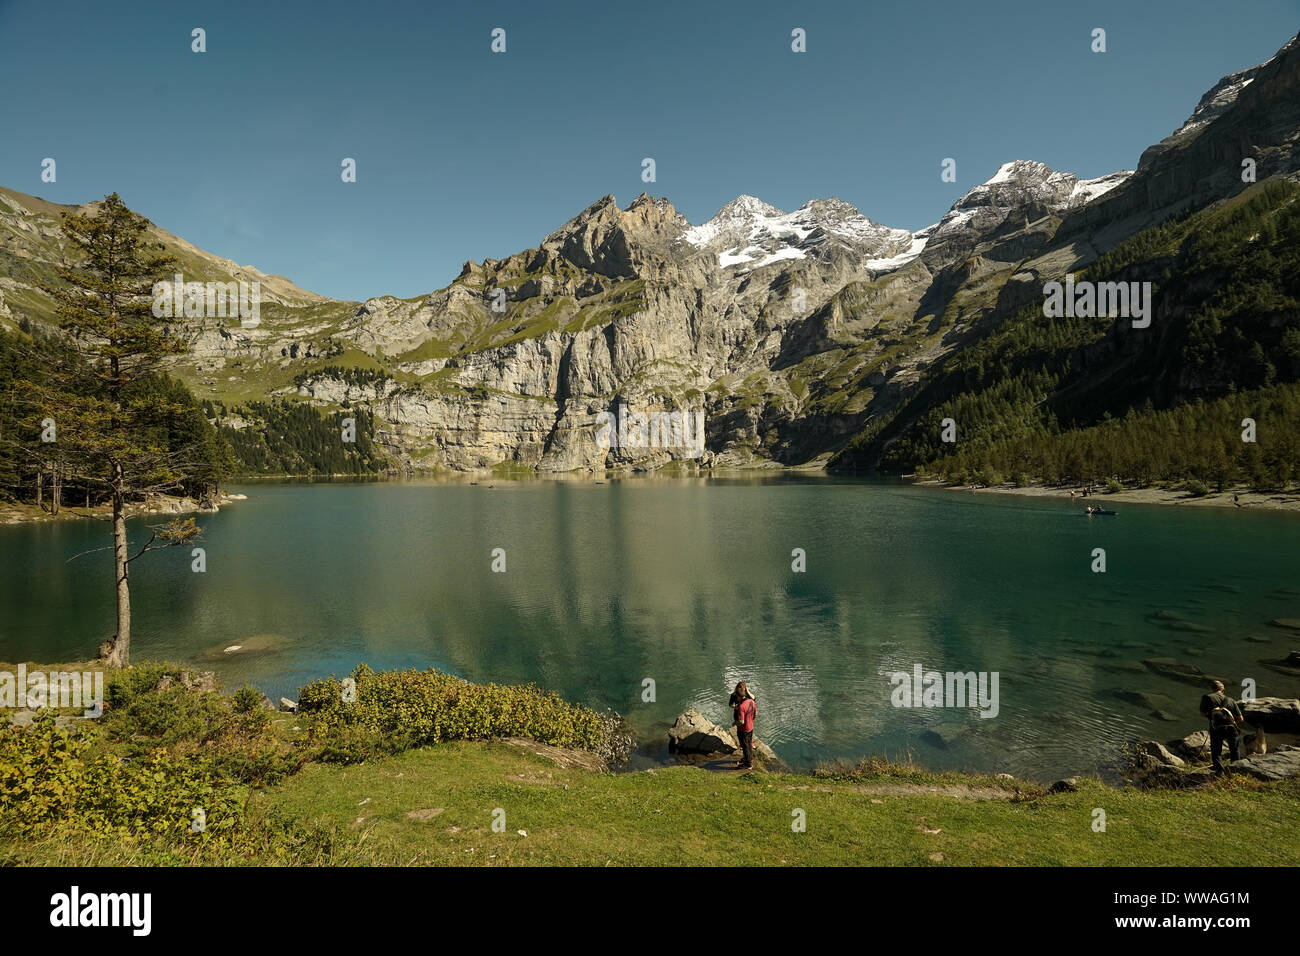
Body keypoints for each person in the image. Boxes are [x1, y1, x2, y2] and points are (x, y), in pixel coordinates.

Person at [1199, 680, 1245, 775]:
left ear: (1212, 689)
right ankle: (1235, 772)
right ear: (1223, 690)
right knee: (1235, 750)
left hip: (1216, 728)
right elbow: (1241, 718)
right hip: (1231, 728)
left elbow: (1202, 714)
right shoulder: (1231, 700)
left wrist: (1212, 716)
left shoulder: (1207, 697)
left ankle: (1220, 773)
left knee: (1216, 751)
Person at [731, 681, 756, 769]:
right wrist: (750, 720)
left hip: (743, 729)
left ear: (738, 696)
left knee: (744, 746)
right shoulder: (751, 701)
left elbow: (741, 721)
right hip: (751, 727)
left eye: (736, 697)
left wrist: (734, 723)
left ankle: (748, 764)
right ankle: (748, 758)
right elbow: (755, 714)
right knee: (749, 744)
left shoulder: (741, 707)